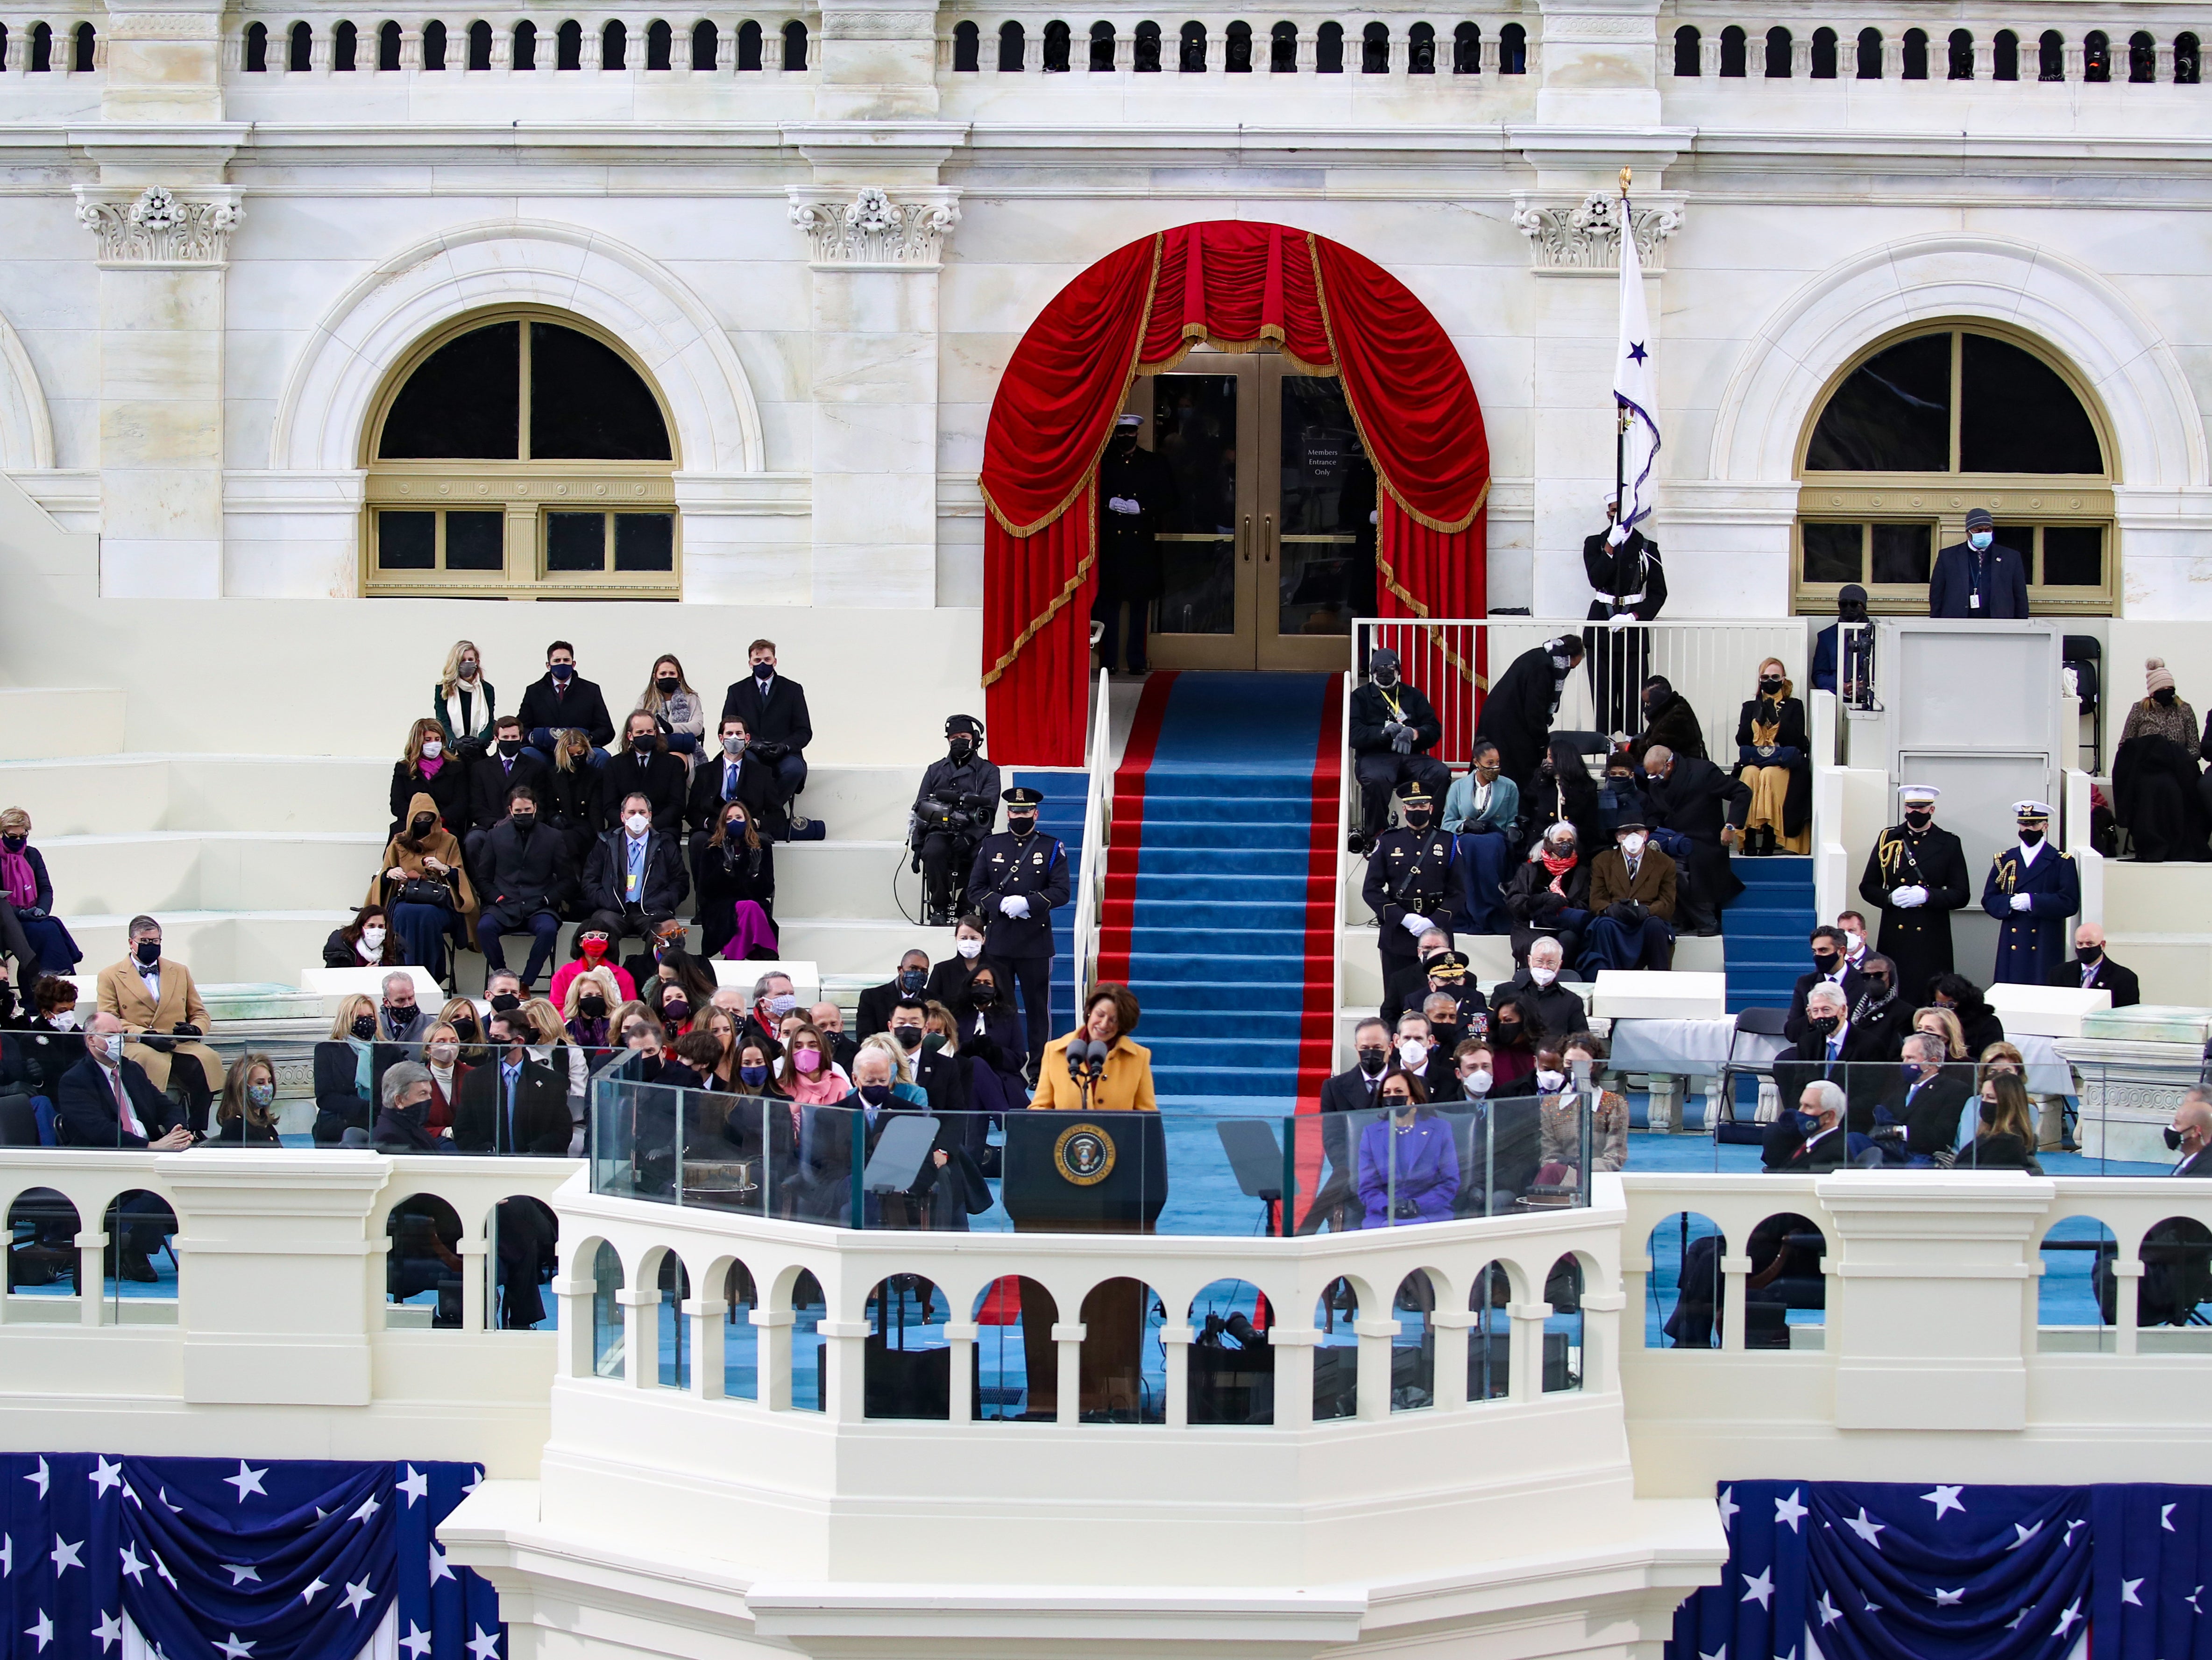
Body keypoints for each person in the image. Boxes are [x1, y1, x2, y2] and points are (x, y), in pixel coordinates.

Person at [967, 786, 1069, 1077]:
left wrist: (1029, 903)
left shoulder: (1051, 848)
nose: (1020, 816)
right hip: (1000, 941)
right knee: (1002, 1008)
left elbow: (1062, 891)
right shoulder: (991, 845)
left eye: (1026, 811)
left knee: (1038, 1010)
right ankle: (1006, 1067)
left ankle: (1040, 1071)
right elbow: (975, 889)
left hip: (1035, 942)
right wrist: (1001, 904)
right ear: (1008, 814)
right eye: (1015, 811)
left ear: (1035, 813)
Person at [95, 916, 221, 1132]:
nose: (151, 946)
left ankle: (196, 1127)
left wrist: (196, 1029)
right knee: (147, 1066)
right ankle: (153, 1129)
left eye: (155, 941)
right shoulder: (110, 976)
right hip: (139, 1043)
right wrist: (144, 1035)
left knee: (207, 1061)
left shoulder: (180, 971)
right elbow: (108, 1018)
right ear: (131, 943)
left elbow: (199, 1012)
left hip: (177, 1041)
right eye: (145, 941)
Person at [1859, 784, 1971, 1004]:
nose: (1915, 812)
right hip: (1896, 934)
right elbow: (1868, 886)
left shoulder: (1948, 842)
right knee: (1895, 996)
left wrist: (1929, 896)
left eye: (1921, 808)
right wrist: (1889, 898)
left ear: (1932, 810)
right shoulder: (1889, 839)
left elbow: (1961, 894)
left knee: (1929, 996)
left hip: (1931, 937)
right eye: (1910, 807)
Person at [1092, 412, 1179, 675]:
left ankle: (1137, 660)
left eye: (1130, 432)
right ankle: (1108, 662)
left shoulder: (1153, 463)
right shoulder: (1103, 462)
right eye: (1121, 432)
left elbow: (1170, 499)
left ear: (1137, 433)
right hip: (1111, 546)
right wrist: (1107, 503)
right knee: (1109, 605)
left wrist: (1142, 508)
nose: (1126, 437)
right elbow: (1089, 495)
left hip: (1140, 545)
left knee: (1140, 606)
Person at [1348, 647, 1450, 853]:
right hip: (1375, 757)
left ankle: (1431, 828)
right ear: (1373, 671)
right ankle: (1376, 836)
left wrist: (1413, 733)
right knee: (1377, 780)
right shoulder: (1360, 697)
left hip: (1411, 757)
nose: (1386, 672)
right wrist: (1382, 733)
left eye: (1390, 667)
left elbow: (1434, 729)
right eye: (1380, 668)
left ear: (1399, 670)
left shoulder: (1414, 695)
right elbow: (1354, 734)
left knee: (1440, 772)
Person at [473, 785, 575, 992]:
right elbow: (483, 878)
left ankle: (526, 984)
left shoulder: (553, 837)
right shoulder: (495, 836)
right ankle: (503, 980)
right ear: (510, 811)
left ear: (535, 808)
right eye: (518, 811)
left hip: (538, 905)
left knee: (548, 929)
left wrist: (547, 899)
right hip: (503, 904)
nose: (523, 815)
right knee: (485, 928)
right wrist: (497, 898)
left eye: (527, 810)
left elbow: (568, 880)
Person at [1582, 490, 1667, 737]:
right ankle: (1608, 748)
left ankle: (1631, 747)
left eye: (1621, 511)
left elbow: (1658, 593)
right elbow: (1596, 579)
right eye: (1613, 511)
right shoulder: (1595, 544)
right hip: (1601, 622)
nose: (1616, 517)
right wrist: (1610, 546)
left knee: (1634, 694)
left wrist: (1635, 617)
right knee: (1603, 695)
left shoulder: (1647, 548)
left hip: (1632, 627)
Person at [370, 791, 477, 982]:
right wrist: (390, 874)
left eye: (428, 818)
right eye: (418, 819)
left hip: (438, 901)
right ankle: (405, 975)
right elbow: (384, 875)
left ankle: (429, 976)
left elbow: (460, 876)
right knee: (404, 914)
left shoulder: (449, 841)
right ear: (411, 820)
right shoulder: (399, 842)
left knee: (426, 915)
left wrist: (443, 868)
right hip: (405, 898)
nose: (423, 823)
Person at [1641, 743, 1746, 936]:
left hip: (1705, 842)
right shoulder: (1657, 783)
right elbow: (1654, 812)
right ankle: (1678, 919)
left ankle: (1706, 920)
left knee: (1676, 870)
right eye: (1650, 776)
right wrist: (1650, 833)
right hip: (1671, 842)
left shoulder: (1703, 772)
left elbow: (1741, 792)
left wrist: (1732, 825)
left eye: (1657, 774)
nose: (1654, 779)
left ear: (1669, 765)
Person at [2113, 659, 2211, 862]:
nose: (2168, 692)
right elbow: (2126, 744)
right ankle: (2151, 845)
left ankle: (2179, 846)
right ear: (2153, 691)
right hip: (2146, 769)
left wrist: (2176, 759)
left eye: (2171, 688)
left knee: (2174, 789)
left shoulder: (2185, 710)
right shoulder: (2139, 710)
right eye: (2163, 688)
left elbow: (2194, 747)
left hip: (2178, 769)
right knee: (2151, 788)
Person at [1361, 781, 1455, 990]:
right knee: (1398, 998)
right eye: (1412, 807)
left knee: (1440, 995)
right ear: (1404, 809)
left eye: (1422, 806)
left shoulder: (1448, 842)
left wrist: (1434, 921)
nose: (1417, 810)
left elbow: (1458, 891)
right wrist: (1403, 918)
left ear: (1431, 808)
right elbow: (1371, 890)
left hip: (1437, 933)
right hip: (1398, 933)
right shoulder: (1388, 842)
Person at [57, 1011, 193, 1151]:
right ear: (91, 1039)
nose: (118, 1040)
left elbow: (165, 1107)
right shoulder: (75, 1080)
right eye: (110, 1035)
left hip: (152, 1147)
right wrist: (148, 1147)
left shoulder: (132, 1070)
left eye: (121, 1034)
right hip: (106, 1156)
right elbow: (99, 1130)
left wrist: (178, 1131)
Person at [1304, 1018, 1392, 1234]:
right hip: (1352, 1170)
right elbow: (1333, 1138)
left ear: (1390, 1048)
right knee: (1338, 1181)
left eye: (1378, 1048)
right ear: (1356, 1048)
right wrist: (1358, 1169)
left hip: (1395, 1169)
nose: (1371, 1053)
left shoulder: (1405, 1085)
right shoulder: (1335, 1087)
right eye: (1365, 1048)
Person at [911, 714, 1001, 925]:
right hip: (939, 829)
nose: (958, 741)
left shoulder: (989, 771)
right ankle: (939, 908)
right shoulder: (935, 770)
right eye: (953, 738)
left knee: (983, 854)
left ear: (975, 739)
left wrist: (971, 836)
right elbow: (920, 809)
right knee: (932, 851)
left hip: (974, 832)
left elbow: (989, 809)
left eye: (963, 736)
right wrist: (917, 846)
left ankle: (966, 906)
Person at [1982, 800, 2080, 984]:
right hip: (2013, 937)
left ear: (2045, 826)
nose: (2027, 829)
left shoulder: (2061, 861)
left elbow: (2069, 902)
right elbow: (1989, 899)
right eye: (2023, 824)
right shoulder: (2005, 859)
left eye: (2033, 824)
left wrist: (2033, 902)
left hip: (2044, 940)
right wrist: (2008, 903)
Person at [1474, 633, 1585, 795]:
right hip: (1509, 724)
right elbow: (1535, 710)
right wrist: (1542, 742)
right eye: (1571, 666)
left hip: (1502, 719)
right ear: (1568, 658)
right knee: (1519, 772)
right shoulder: (1545, 668)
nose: (1568, 671)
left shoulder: (1539, 656)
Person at [1773, 982, 1890, 1133]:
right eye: (1816, 1011)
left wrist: (1829, 1117)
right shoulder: (1808, 1043)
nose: (1821, 1016)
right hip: (1812, 1120)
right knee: (1774, 1135)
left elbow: (1870, 1096)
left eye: (1826, 1010)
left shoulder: (1869, 1046)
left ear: (1843, 1010)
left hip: (1849, 1122)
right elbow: (1799, 1087)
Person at [583, 789, 689, 953]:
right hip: (613, 910)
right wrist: (608, 901)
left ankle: (656, 978)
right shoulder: (606, 843)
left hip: (653, 909)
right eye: (632, 812)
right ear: (622, 817)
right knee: (599, 933)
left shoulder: (666, 844)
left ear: (650, 816)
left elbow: (681, 882)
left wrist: (662, 901)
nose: (637, 817)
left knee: (670, 935)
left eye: (642, 812)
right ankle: (606, 978)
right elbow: (590, 881)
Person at [454, 1009, 572, 1153]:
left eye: (499, 1037)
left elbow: (562, 1131)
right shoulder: (475, 1080)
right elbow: (463, 1129)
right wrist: (489, 1151)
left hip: (536, 1167)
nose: (492, 1042)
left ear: (518, 1041)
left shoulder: (551, 1082)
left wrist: (533, 1154)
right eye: (491, 1036)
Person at [719, 639, 813, 817]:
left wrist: (784, 746)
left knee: (794, 770)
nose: (763, 664)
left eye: (767, 660)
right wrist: (751, 744)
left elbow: (804, 731)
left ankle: (765, 814)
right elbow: (727, 725)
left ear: (775, 662)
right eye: (757, 661)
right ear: (750, 664)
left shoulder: (793, 690)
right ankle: (750, 815)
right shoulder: (737, 690)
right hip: (750, 750)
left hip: (785, 752)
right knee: (746, 766)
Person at [1032, 984, 1156, 1112]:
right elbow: (1039, 1108)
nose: (1104, 1025)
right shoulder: (1054, 1051)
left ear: (1123, 1025)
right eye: (1100, 1015)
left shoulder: (1139, 1057)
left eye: (1114, 1020)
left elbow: (1147, 1117)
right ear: (1090, 1011)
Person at [1356, 1072, 1457, 1227]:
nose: (1392, 1097)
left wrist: (1417, 1205)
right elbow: (1367, 1187)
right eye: (1387, 1093)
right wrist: (1390, 1206)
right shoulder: (1371, 1134)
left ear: (1414, 1097)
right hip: (1385, 1216)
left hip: (1430, 1213)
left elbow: (1450, 1182)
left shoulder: (1440, 1129)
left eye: (1399, 1092)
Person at [1734, 659, 1810, 856]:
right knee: (1749, 774)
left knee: (1768, 775)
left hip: (1781, 762)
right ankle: (1749, 836)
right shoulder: (1750, 706)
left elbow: (1799, 741)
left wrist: (1778, 723)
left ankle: (1769, 836)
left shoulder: (1794, 706)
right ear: (1760, 680)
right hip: (1756, 760)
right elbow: (1741, 741)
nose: (1770, 681)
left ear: (1783, 679)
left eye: (1775, 677)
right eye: (1765, 677)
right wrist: (1756, 721)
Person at [1581, 818, 1677, 972]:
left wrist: (1647, 911)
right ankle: (1610, 981)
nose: (1633, 837)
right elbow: (1596, 899)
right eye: (1626, 832)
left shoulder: (1664, 863)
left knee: (1656, 926)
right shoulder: (1602, 861)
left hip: (1647, 919)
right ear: (1618, 838)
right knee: (1604, 925)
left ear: (1646, 836)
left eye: (1637, 832)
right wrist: (1611, 910)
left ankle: (1660, 982)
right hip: (1616, 920)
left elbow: (1668, 903)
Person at [1443, 740, 1518, 934]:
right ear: (1477, 763)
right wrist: (1464, 825)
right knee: (1466, 845)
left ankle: (1492, 911)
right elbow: (1447, 823)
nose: (1495, 768)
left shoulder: (1509, 786)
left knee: (1492, 847)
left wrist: (1513, 830)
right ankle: (1469, 911)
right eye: (1490, 763)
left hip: (1495, 835)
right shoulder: (1459, 787)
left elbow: (1512, 819)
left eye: (1498, 762)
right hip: (1466, 837)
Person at [1538, 1031, 1627, 1185]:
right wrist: (1566, 1171)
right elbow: (1548, 1156)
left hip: (1599, 1181)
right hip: (1560, 1181)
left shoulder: (1614, 1104)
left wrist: (1579, 1168)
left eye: (1582, 1064)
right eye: (1569, 1064)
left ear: (1595, 1065)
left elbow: (1614, 1158)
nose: (1575, 1069)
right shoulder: (1550, 1104)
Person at [693, 797, 777, 960]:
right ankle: (767, 955)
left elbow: (767, 890)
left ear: (747, 820)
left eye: (739, 818)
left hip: (753, 904)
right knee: (749, 908)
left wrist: (755, 872)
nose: (734, 822)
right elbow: (705, 890)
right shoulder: (711, 848)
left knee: (750, 907)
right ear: (723, 823)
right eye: (729, 819)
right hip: (720, 908)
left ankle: (733, 959)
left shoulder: (762, 846)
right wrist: (726, 867)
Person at [0, 809, 78, 981]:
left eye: (23, 836)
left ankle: (60, 982)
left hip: (31, 914)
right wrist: (20, 913)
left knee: (48, 926)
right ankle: (45, 983)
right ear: (2, 833)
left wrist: (42, 909)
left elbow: (46, 889)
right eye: (13, 837)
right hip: (6, 920)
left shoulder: (32, 854)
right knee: (45, 930)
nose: (19, 841)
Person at [1869, 1031, 1970, 1163]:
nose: (1904, 1063)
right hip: (1890, 1150)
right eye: (1903, 1058)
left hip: (1922, 1156)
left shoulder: (1956, 1090)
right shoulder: (1898, 1087)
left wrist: (1899, 1131)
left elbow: (1944, 1134)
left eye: (1910, 1058)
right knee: (1854, 1140)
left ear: (1933, 1062)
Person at [466, 717, 553, 867]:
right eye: (505, 737)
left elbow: (542, 804)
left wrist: (517, 822)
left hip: (525, 825)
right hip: (491, 826)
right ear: (496, 739)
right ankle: (481, 887)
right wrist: (496, 824)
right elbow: (476, 806)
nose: (510, 740)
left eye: (514, 737)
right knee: (473, 840)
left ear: (521, 738)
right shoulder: (481, 768)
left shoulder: (536, 768)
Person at [1503, 823, 1591, 970]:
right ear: (1549, 843)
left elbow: (1585, 904)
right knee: (1535, 945)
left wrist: (1564, 903)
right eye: (1560, 841)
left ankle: (1563, 982)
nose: (1566, 845)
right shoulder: (1530, 869)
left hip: (1564, 925)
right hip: (1531, 925)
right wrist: (1539, 900)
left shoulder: (1581, 872)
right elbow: (1514, 901)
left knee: (1569, 940)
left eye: (1570, 841)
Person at [688, 715, 787, 846]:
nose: (734, 737)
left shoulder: (762, 773)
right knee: (698, 840)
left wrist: (755, 823)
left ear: (747, 738)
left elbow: (778, 814)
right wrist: (708, 823)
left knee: (762, 842)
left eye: (738, 733)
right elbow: (692, 811)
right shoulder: (705, 772)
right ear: (721, 738)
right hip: (714, 828)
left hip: (749, 829)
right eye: (729, 733)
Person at [518, 640, 615, 767]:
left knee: (602, 757)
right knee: (526, 753)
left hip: (581, 753)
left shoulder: (591, 690)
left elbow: (606, 730)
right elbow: (521, 728)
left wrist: (586, 738)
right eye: (557, 661)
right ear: (548, 665)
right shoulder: (534, 691)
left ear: (573, 664)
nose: (562, 664)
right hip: (546, 753)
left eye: (566, 660)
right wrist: (535, 738)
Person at [1928, 506, 2028, 619]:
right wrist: (1936, 622)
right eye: (1978, 531)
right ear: (1968, 532)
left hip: (1999, 622)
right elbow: (1937, 594)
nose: (1984, 533)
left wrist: (2021, 624)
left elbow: (2020, 595)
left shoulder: (2011, 557)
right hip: (1958, 621)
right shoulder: (1947, 557)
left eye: (1988, 530)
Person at [600, 711, 688, 834]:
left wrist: (652, 825)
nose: (646, 736)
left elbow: (677, 805)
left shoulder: (673, 764)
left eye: (650, 732)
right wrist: (630, 825)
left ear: (656, 733)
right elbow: (610, 807)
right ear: (630, 736)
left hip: (662, 828)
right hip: (624, 828)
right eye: (640, 732)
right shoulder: (614, 765)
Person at [1489, 936, 1587, 1041]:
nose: (1544, 967)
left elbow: (1581, 1039)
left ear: (1559, 964)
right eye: (1540, 961)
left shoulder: (1572, 1001)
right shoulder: (1504, 992)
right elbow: (1492, 1030)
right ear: (1529, 960)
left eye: (1551, 963)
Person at [389, 716, 470, 842]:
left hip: (446, 824)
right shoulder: (403, 768)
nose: (434, 744)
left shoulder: (456, 766)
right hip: (411, 824)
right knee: (399, 835)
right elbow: (397, 804)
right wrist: (418, 821)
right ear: (418, 742)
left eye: (437, 739)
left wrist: (439, 820)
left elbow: (460, 803)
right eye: (428, 740)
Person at [312, 994, 379, 1145]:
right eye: (358, 1017)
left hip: (378, 1126)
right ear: (346, 1019)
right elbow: (325, 1097)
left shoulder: (387, 1050)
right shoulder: (328, 1050)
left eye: (370, 1016)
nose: (366, 1021)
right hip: (339, 1125)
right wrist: (365, 1108)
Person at [1762, 1078, 1865, 1171]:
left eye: (1809, 1107)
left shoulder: (1834, 1154)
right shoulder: (1810, 1143)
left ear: (1829, 1116)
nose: (1800, 1112)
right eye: (1801, 1105)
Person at [1783, 925, 1864, 1043]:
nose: (1818, 956)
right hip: (1816, 1051)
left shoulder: (1863, 982)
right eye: (1815, 951)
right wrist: (1811, 1019)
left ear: (1841, 951)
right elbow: (1791, 1033)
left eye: (1824, 950)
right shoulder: (1806, 984)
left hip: (1854, 1050)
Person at [542, 728, 604, 866]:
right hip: (559, 827)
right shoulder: (553, 775)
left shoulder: (595, 776)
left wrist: (599, 835)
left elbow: (596, 811)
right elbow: (549, 806)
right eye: (572, 755)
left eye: (580, 753)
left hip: (584, 828)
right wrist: (555, 819)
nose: (576, 757)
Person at [634, 654, 708, 768]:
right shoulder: (645, 700)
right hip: (652, 750)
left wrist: (671, 728)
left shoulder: (691, 698)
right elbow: (637, 725)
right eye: (663, 674)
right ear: (655, 677)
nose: (668, 677)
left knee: (675, 760)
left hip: (685, 751)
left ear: (679, 677)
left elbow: (697, 727)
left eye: (672, 674)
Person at [2044, 921, 2141, 1007]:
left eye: (2090, 944)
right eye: (2080, 944)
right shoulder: (2058, 974)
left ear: (2102, 945)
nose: (2084, 948)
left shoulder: (2124, 978)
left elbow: (2127, 1017)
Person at [549, 925, 638, 1013]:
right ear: (580, 942)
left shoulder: (623, 975)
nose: (597, 940)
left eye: (602, 937)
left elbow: (630, 1010)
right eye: (590, 936)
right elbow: (556, 1010)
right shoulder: (564, 973)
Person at [1965, 1071, 2042, 1171]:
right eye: (1982, 1096)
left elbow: (1987, 1180)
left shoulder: (2006, 1143)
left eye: (1991, 1097)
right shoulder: (1989, 1134)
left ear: (2009, 1104)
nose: (1984, 1102)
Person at [1811, 583, 1873, 705]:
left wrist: (1865, 686)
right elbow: (1818, 675)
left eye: (1854, 604)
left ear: (1864, 606)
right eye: (1843, 604)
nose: (1848, 608)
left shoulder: (1877, 635)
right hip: (1836, 701)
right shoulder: (1827, 637)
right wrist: (1841, 686)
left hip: (1871, 701)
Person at [1379, 929, 1453, 1029]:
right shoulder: (1400, 979)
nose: (1432, 952)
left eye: (1437, 948)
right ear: (1419, 952)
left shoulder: (1466, 978)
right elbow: (1389, 1016)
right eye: (1427, 948)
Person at [431, 639, 496, 753]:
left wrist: (481, 741)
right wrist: (454, 742)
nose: (467, 664)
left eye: (470, 660)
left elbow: (489, 720)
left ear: (477, 662)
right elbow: (442, 720)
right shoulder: (443, 688)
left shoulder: (487, 689)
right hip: (452, 750)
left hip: (477, 749)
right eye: (463, 660)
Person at [372, 1060, 451, 1153]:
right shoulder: (390, 1138)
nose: (429, 1099)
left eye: (430, 1094)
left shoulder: (411, 1125)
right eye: (423, 1094)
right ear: (399, 1100)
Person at [924, 914, 1000, 1009]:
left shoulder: (999, 970)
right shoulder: (942, 970)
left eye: (974, 938)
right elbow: (931, 1006)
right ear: (956, 938)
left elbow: (1008, 1007)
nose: (969, 942)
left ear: (983, 939)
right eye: (964, 938)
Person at [1847, 953, 1914, 1059]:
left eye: (1878, 975)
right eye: (1867, 976)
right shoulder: (1850, 1011)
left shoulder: (1905, 1013)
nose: (1872, 980)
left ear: (1891, 976)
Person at [1631, 675, 1706, 767]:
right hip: (1680, 767)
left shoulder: (1678, 716)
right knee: (1639, 737)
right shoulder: (1670, 711)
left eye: (1649, 703)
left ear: (1657, 698)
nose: (1647, 707)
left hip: (1687, 770)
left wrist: (1629, 748)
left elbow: (1652, 750)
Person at [211, 1052, 283, 1145]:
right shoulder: (237, 1127)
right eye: (260, 1083)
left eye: (269, 1081)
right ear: (242, 1088)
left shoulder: (262, 1120)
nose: (267, 1087)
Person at [1928, 973, 2006, 1058]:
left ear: (1964, 1001)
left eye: (1950, 1005)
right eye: (1939, 1005)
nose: (1945, 1010)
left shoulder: (1989, 1023)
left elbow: (1992, 1060)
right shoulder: (1931, 1022)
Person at [859, 951, 931, 1040]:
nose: (919, 973)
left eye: (924, 971)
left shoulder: (933, 1000)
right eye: (913, 968)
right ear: (900, 970)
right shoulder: (872, 997)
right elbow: (865, 1037)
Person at [323, 904, 405, 970]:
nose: (376, 930)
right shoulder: (343, 945)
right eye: (371, 926)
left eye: (381, 927)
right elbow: (334, 979)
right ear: (361, 927)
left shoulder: (394, 945)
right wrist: (362, 974)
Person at [560, 966, 624, 1050]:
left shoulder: (615, 1028)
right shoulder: (568, 1029)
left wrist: (604, 1048)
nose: (594, 999)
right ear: (577, 999)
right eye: (588, 995)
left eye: (599, 996)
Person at [421, 1023, 468, 1133]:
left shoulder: (474, 1076)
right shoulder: (416, 1082)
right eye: (441, 1042)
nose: (448, 1047)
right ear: (428, 1048)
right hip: (433, 1145)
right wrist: (443, 1132)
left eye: (453, 1042)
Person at [376, 970, 430, 1046]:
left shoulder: (430, 1026)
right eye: (401, 1000)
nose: (407, 1005)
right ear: (386, 1002)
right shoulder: (375, 1025)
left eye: (411, 998)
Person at [2166, 1092, 2212, 1177]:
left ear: (2195, 1131)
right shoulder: (2194, 1158)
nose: (2172, 1127)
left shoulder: (2205, 1170)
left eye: (2177, 1123)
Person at [810, 1000, 860, 1074]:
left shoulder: (858, 1052)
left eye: (833, 1024)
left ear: (841, 1025)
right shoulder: (806, 1054)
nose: (829, 1030)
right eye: (822, 1026)